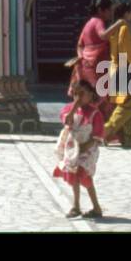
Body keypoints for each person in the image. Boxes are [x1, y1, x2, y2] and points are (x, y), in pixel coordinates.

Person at [53, 78, 105, 219]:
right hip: (72, 149)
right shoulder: (68, 110)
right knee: (73, 175)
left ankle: (96, 207)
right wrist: (75, 106)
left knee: (85, 176)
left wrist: (84, 147)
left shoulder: (95, 114)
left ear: (91, 95)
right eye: (76, 94)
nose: (79, 97)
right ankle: (76, 206)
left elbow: (97, 136)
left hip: (87, 149)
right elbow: (67, 122)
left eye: (83, 94)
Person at [103, 3, 131, 148]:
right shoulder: (124, 28)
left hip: (116, 68)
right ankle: (108, 129)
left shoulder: (115, 28)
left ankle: (128, 137)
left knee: (127, 103)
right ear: (126, 13)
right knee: (129, 104)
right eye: (130, 13)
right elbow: (128, 51)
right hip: (126, 68)